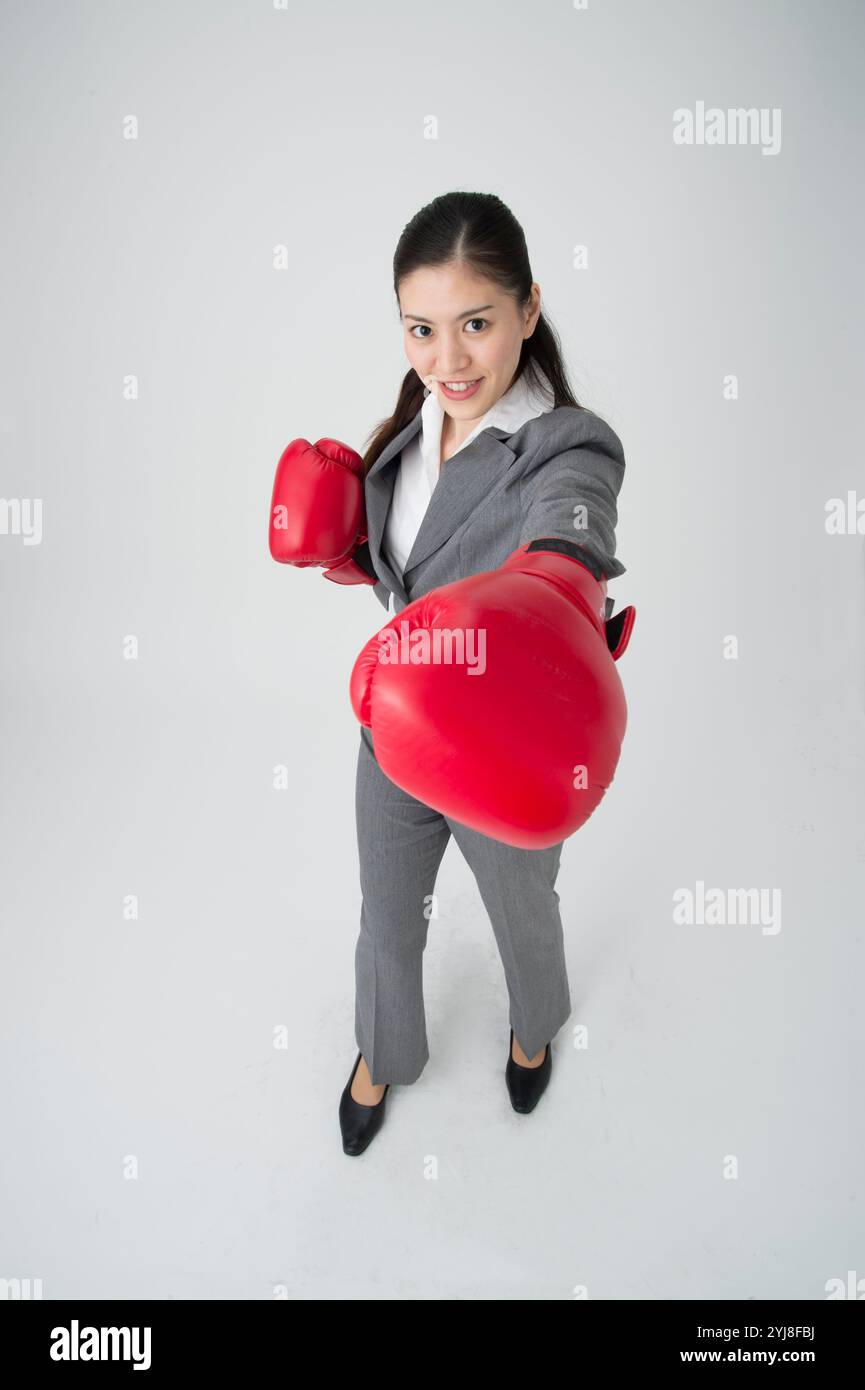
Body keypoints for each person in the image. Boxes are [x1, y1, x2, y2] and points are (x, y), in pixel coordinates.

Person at [268, 191, 635, 1156]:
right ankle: (383, 1052)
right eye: (421, 329)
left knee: (522, 910)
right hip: (396, 722)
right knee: (385, 908)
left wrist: (558, 579)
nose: (449, 358)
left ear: (527, 308)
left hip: (504, 745)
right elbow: (414, 570)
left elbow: (574, 524)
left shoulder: (565, 443)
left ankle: (532, 1029)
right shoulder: (415, 422)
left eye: (475, 324)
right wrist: (353, 553)